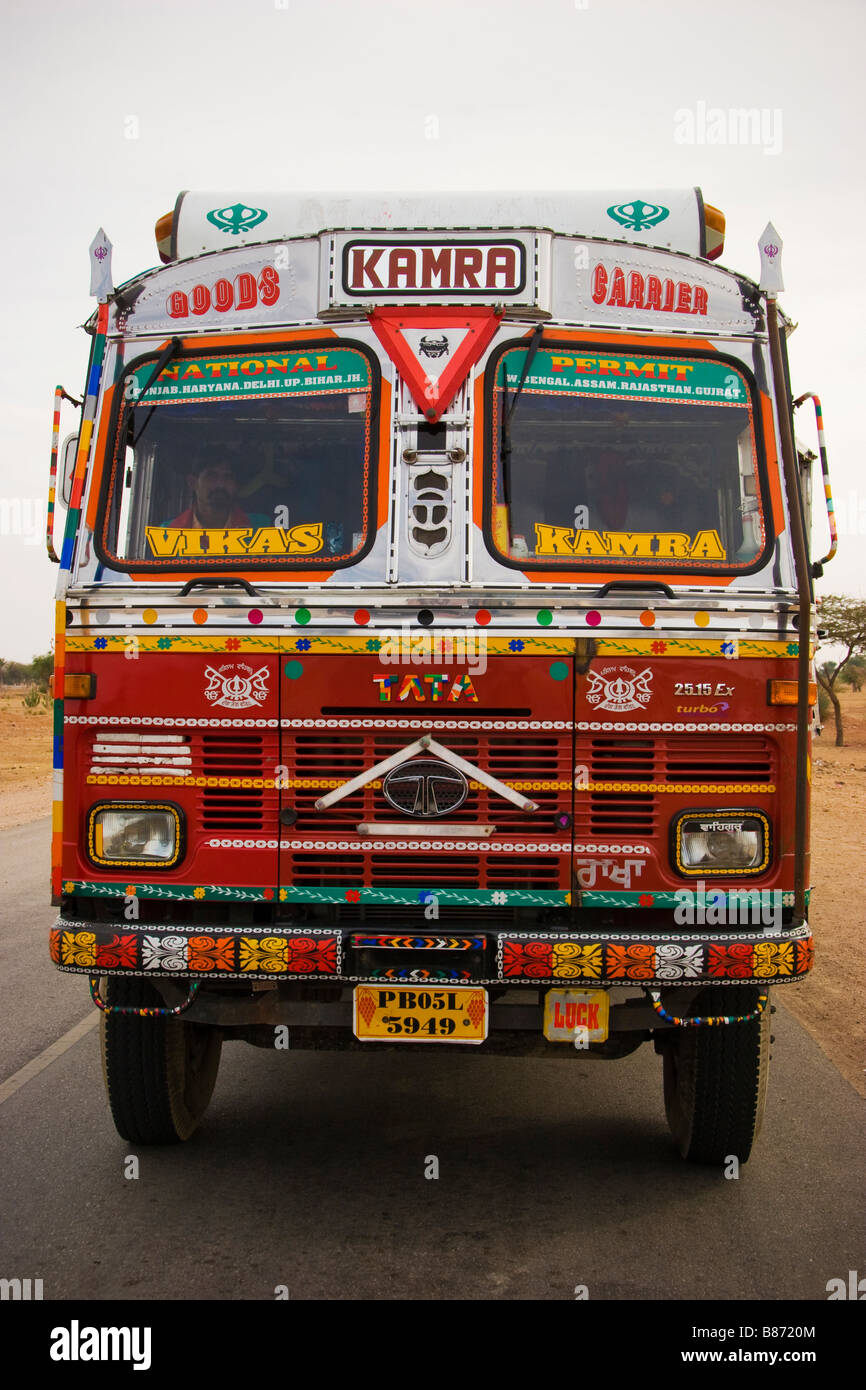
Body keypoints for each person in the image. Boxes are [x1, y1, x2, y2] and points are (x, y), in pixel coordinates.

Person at [166, 458, 252, 529]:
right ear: (192, 482)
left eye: (228, 477)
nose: (220, 484)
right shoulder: (169, 531)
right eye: (211, 476)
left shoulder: (261, 527)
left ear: (236, 485)